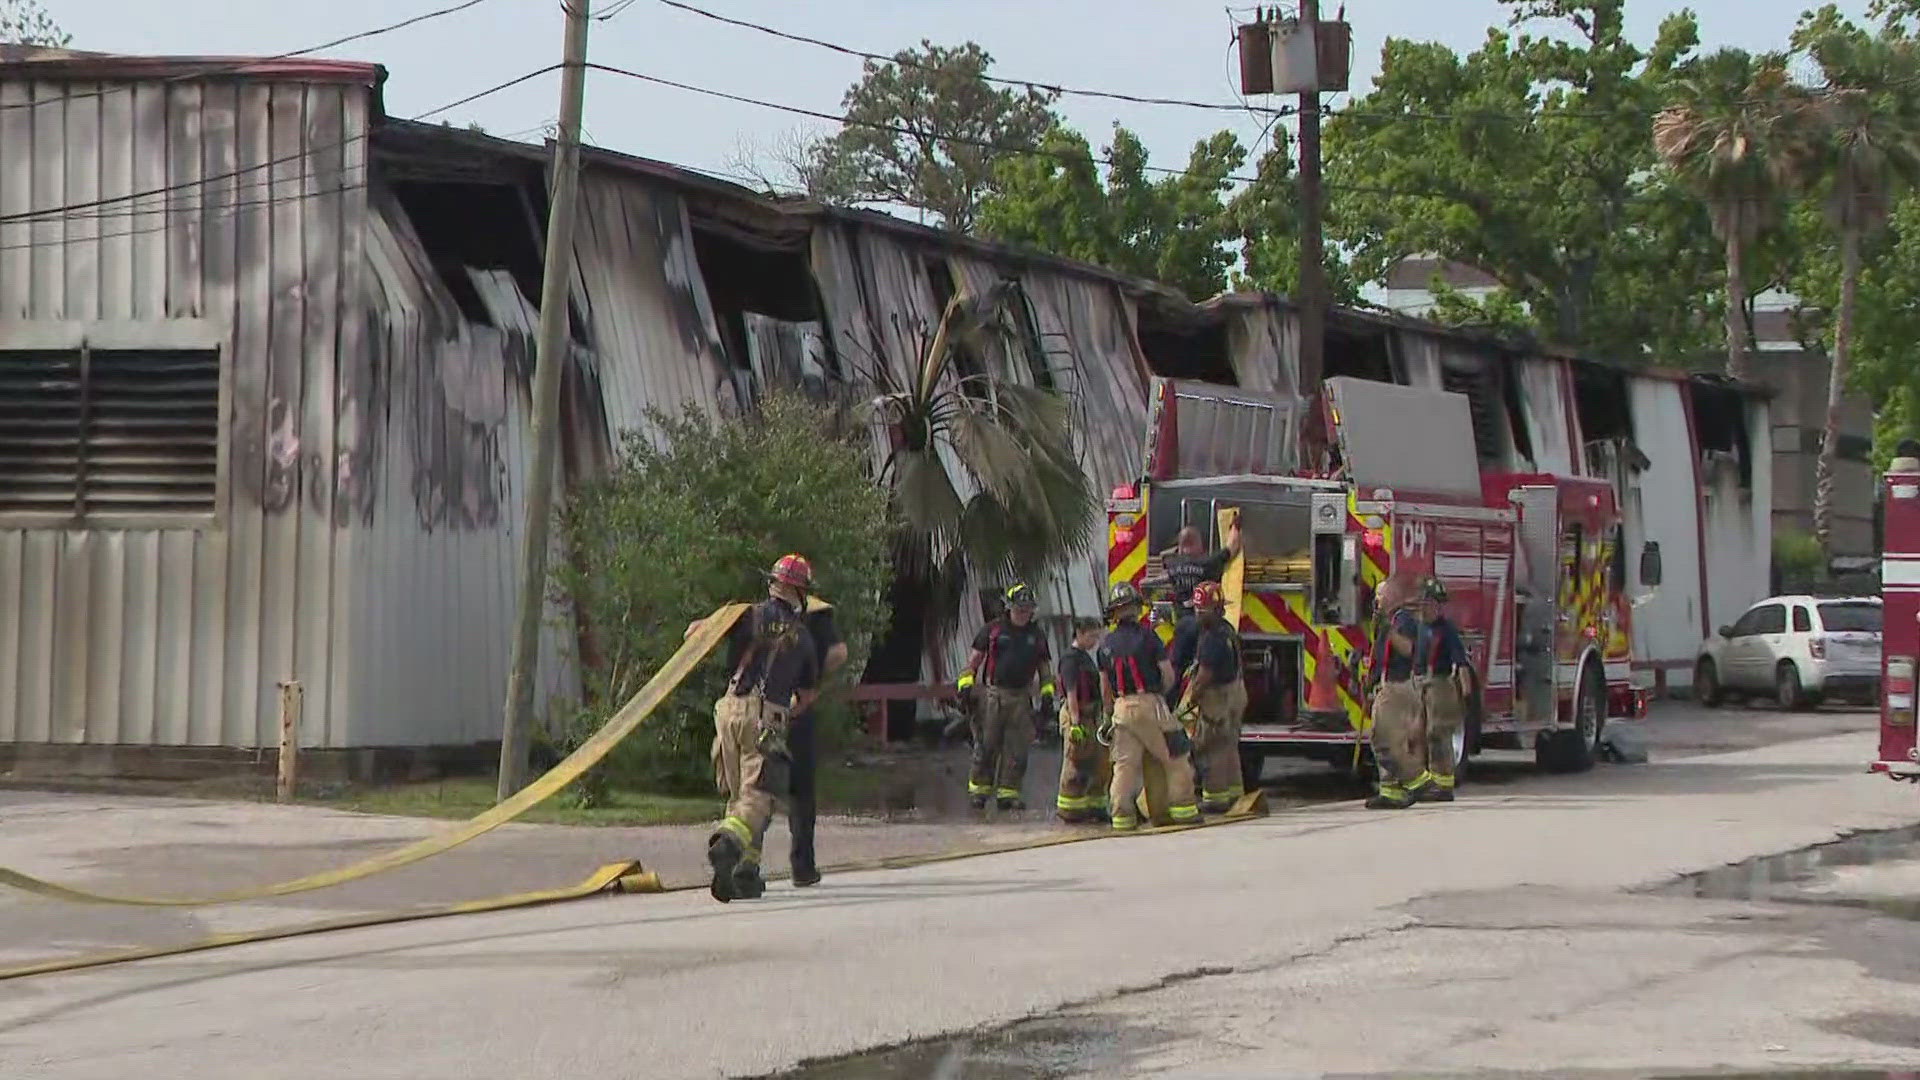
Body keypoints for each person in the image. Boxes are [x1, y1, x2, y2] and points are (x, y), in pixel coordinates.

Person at [704, 554, 820, 902]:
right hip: (766, 716)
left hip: (727, 708)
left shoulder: (746, 615)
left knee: (739, 795)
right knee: (760, 797)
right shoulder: (803, 637)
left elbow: (696, 634)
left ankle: (744, 874)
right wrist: (785, 712)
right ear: (800, 592)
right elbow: (809, 694)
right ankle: (726, 845)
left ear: (774, 583)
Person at [1099, 581, 1201, 830]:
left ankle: (1121, 817)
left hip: (1121, 708)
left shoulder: (1105, 645)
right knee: (1176, 757)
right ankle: (1184, 809)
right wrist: (1160, 698)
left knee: (1124, 765)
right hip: (1151, 703)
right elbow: (1167, 675)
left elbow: (1104, 688)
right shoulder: (1149, 637)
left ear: (1114, 612)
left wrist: (1109, 714)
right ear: (1135, 607)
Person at [955, 583, 1056, 811]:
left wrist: (1048, 698)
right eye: (1020, 609)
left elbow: (1045, 671)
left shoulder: (1036, 636)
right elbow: (972, 663)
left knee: (1017, 748)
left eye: (1028, 609)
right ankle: (979, 792)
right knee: (986, 744)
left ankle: (1008, 794)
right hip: (993, 696)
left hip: (1021, 697)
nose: (1024, 614)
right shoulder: (993, 631)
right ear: (1009, 607)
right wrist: (965, 689)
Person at [789, 594, 848, 887]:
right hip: (797, 706)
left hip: (755, 709)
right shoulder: (817, 615)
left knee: (754, 789)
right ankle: (802, 867)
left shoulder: (758, 613)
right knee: (801, 792)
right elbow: (839, 653)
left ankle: (745, 865)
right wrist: (812, 676)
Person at [1175, 581, 1249, 814]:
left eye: (1201, 610)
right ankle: (1235, 792)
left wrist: (1188, 703)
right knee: (1229, 745)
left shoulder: (1211, 639)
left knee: (1212, 747)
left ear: (1213, 610)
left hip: (1217, 697)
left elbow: (1203, 676)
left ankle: (1216, 799)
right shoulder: (1227, 629)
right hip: (1235, 691)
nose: (1197, 614)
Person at [1363, 575, 1427, 810]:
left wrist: (1388, 628)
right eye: (1377, 595)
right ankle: (1391, 792)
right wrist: (1370, 679)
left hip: (1398, 686)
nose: (1377, 599)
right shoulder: (1387, 621)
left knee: (1387, 742)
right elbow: (1380, 653)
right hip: (1386, 684)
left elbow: (1407, 649)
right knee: (1382, 739)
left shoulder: (1404, 620)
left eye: (1382, 595)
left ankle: (1418, 779)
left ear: (1395, 597)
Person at [1410, 576, 1471, 803]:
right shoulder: (1418, 628)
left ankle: (1443, 785)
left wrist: (1466, 694)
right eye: (1425, 603)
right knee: (1416, 735)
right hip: (1419, 684)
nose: (1427, 607)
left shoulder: (1446, 631)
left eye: (1432, 603)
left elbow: (1461, 662)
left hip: (1440, 684)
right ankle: (1420, 782)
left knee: (1438, 735)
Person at [1054, 616, 1110, 824]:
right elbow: (1071, 692)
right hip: (1077, 714)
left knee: (1095, 761)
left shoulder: (1085, 657)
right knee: (1075, 762)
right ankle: (1069, 810)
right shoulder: (1070, 659)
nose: (1095, 640)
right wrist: (1075, 724)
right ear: (1079, 633)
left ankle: (1095, 806)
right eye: (1092, 636)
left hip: (1090, 714)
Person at [1155, 518, 1244, 615]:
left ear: (1180, 546)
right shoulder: (1207, 563)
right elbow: (1232, 547)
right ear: (1197, 543)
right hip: (1204, 618)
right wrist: (1234, 526)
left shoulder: (1171, 564)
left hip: (1181, 618)